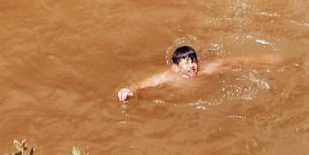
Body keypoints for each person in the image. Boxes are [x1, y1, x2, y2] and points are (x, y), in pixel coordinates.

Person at [117, 44, 283, 104]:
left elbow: (236, 61)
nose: (192, 66)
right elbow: (142, 84)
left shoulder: (207, 69)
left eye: (193, 61)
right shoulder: (168, 77)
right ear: (175, 67)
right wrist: (128, 91)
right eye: (186, 63)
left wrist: (265, 60)